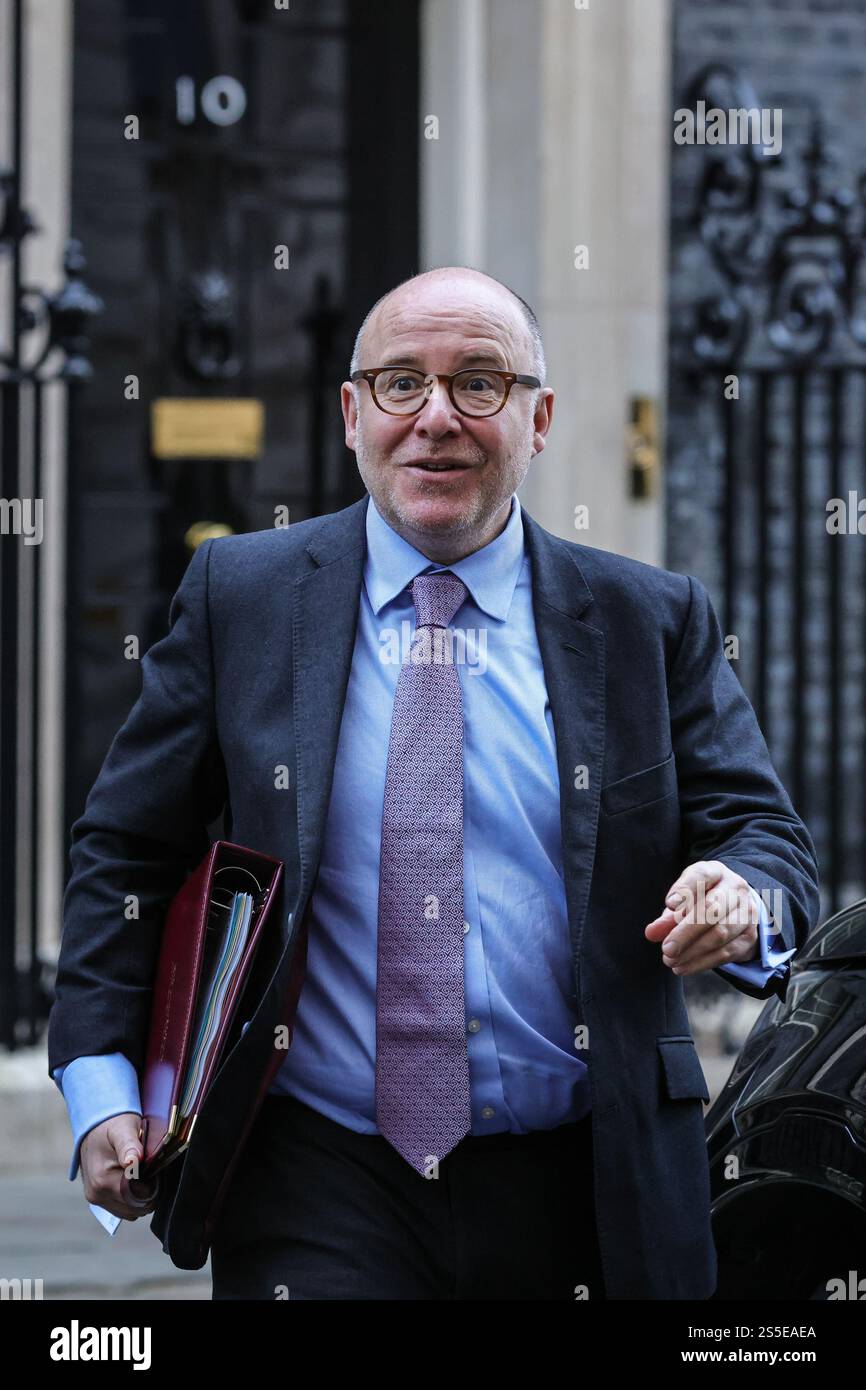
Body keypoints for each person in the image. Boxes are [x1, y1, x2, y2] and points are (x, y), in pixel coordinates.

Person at [47, 266, 819, 1300]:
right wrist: (100, 1086)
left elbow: (762, 834)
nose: (436, 420)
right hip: (317, 1168)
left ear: (538, 420)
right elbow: (127, 848)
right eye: (401, 383)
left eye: (480, 384)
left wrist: (737, 889)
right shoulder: (243, 598)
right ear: (352, 413)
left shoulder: (648, 619)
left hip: (588, 1175)